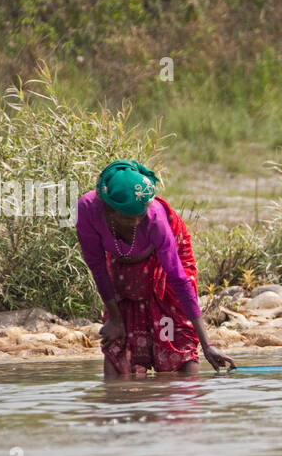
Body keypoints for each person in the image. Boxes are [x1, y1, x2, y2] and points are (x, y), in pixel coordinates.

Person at [76, 159, 235, 379]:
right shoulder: (88, 210)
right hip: (122, 259)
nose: (137, 221)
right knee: (119, 340)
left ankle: (185, 393)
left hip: (170, 254)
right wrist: (115, 318)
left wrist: (207, 345)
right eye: (129, 216)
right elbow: (97, 265)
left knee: (176, 326)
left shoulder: (154, 217)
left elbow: (179, 279)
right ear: (109, 210)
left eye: (141, 214)